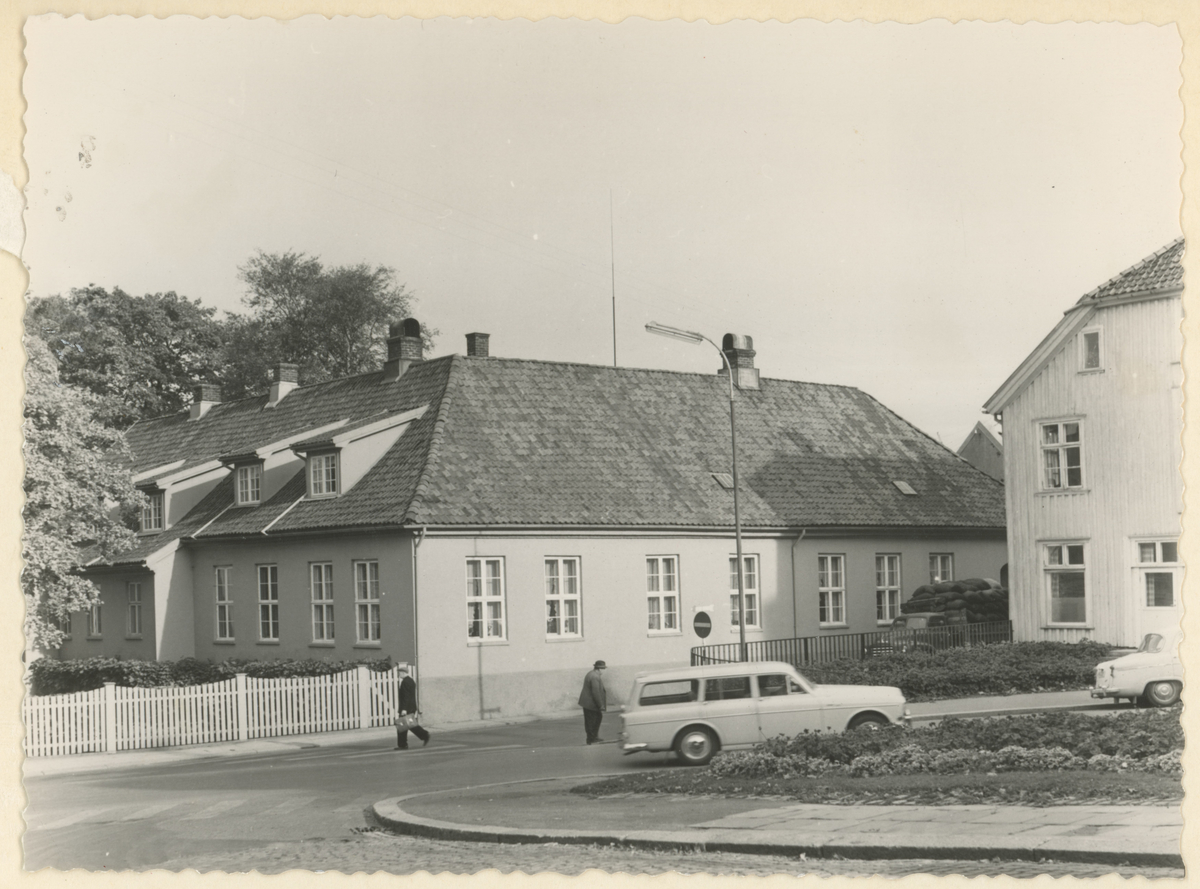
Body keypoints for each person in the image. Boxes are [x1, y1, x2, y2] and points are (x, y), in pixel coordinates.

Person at [395, 666, 430, 749]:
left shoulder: (405, 682)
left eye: (399, 673)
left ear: (403, 673)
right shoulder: (410, 681)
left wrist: (404, 709)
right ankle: (424, 735)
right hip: (410, 707)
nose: (398, 674)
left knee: (402, 725)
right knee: (408, 725)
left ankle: (403, 744)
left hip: (407, 708)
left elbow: (406, 696)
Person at [578, 659, 608, 745]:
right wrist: (600, 705)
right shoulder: (594, 676)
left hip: (588, 703)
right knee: (592, 721)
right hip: (590, 704)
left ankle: (593, 737)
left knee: (594, 719)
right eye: (603, 669)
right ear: (599, 669)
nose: (603, 671)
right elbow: (595, 692)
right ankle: (592, 738)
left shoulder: (591, 674)